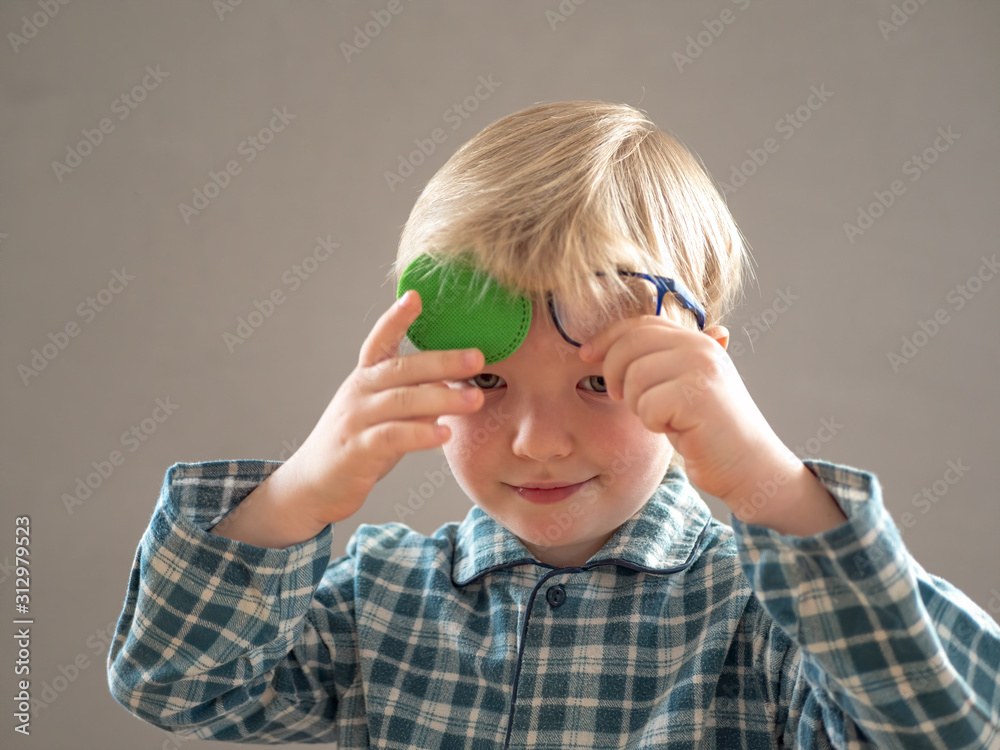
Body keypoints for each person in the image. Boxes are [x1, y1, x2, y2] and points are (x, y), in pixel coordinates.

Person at [107, 100, 1000, 748]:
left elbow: (952, 726)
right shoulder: (378, 599)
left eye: (600, 382)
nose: (538, 441)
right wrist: (296, 496)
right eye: (489, 378)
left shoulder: (765, 620)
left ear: (709, 379)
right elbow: (178, 684)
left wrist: (774, 487)